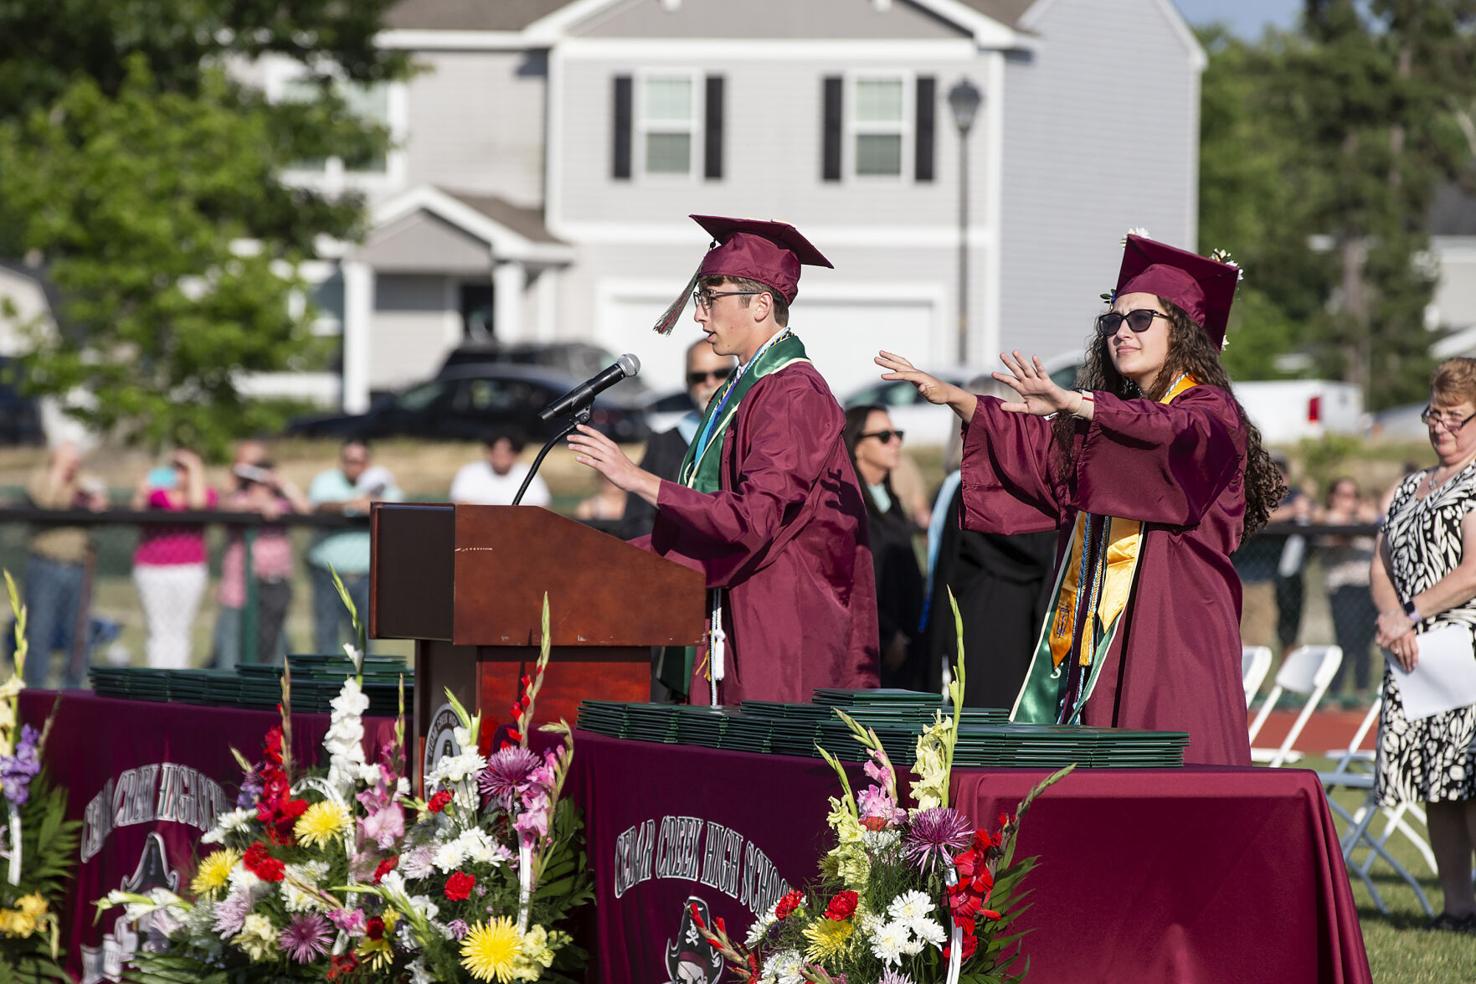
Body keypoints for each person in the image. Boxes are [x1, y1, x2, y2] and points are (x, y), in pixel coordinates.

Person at [877, 233, 1283, 766]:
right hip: (1103, 636)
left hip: (1173, 626)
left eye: (1141, 320)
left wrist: (1077, 403)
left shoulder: (1209, 411)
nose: (1122, 332)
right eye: (1112, 322)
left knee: (1174, 772)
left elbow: (1172, 434)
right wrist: (965, 403)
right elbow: (1049, 461)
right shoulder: (1109, 419)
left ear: (1182, 332)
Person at [568, 214, 880, 705]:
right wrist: (600, 562)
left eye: (710, 299)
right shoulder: (740, 390)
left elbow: (752, 519)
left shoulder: (794, 392)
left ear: (760, 305)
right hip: (730, 613)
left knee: (765, 771)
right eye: (701, 299)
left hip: (780, 627)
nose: (698, 316)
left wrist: (636, 479)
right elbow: (706, 522)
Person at [1372, 357, 1476, 932]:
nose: (1440, 427)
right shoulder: (1411, 485)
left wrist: (1411, 613)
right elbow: (1381, 562)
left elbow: (1472, 572)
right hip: (1413, 654)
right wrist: (1395, 620)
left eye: (1455, 417)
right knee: (1438, 785)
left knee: (1471, 780)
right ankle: (1458, 907)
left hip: (1466, 650)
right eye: (1433, 415)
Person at [922, 379, 1057, 708]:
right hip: (1028, 629)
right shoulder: (1044, 496)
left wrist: (928, 664)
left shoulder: (964, 491)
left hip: (973, 629)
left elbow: (942, 578)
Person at [617, 339, 736, 540]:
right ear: (687, 383)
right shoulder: (663, 443)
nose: (710, 382)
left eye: (720, 374)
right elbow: (638, 520)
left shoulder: (750, 433)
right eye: (699, 376)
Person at [844, 405, 926, 690]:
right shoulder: (849, 506)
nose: (895, 442)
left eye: (897, 434)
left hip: (907, 644)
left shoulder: (891, 501)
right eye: (883, 436)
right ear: (857, 446)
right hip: (873, 646)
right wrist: (888, 634)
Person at [212, 440, 310, 669]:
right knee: (231, 650)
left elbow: (306, 509)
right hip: (239, 588)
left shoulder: (282, 501)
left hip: (275, 587)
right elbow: (221, 507)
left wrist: (282, 485)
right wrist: (251, 502)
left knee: (274, 652)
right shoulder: (238, 497)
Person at [17, 443, 108, 688]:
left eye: (75, 457)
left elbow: (100, 509)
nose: (73, 463)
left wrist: (95, 500)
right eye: (67, 457)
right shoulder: (39, 477)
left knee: (78, 635)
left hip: (79, 566)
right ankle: (35, 690)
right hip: (46, 565)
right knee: (39, 631)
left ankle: (71, 692)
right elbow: (47, 500)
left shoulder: (84, 483)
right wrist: (59, 470)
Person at [307, 440, 402, 655]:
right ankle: (327, 686)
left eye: (359, 461)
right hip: (327, 572)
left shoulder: (381, 480)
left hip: (367, 576)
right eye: (349, 460)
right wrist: (351, 504)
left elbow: (397, 506)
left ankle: (363, 687)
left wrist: (371, 503)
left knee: (364, 641)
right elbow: (319, 505)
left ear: (368, 462)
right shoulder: (326, 480)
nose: (354, 465)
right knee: (326, 635)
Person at [131, 448, 216, 669]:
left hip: (189, 569)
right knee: (158, 629)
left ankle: (177, 680)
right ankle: (158, 681)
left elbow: (197, 504)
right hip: (153, 568)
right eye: (175, 469)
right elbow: (136, 511)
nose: (178, 474)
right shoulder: (156, 494)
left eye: (184, 470)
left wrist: (195, 465)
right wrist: (142, 489)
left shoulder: (207, 493)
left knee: (181, 629)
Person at [1316, 477, 1378, 705]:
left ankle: (1362, 692)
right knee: (1345, 641)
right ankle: (1335, 692)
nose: (1348, 501)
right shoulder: (1328, 518)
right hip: (1342, 587)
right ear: (1332, 497)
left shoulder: (1366, 516)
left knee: (1364, 643)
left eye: (1353, 495)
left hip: (1367, 586)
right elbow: (1335, 535)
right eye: (1343, 495)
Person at [450, 431, 550, 507]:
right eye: (496, 450)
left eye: (507, 451)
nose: (501, 456)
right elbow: (460, 505)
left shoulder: (528, 474)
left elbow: (542, 506)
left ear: (516, 454)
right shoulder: (469, 472)